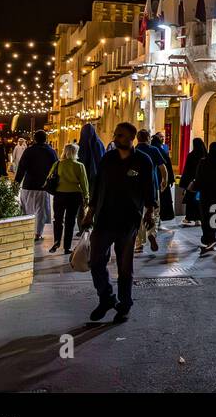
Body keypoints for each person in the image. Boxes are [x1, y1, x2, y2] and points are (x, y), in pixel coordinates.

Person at [80, 122, 155, 322]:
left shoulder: (143, 161)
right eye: (115, 134)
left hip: (128, 221)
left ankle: (125, 304)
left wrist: (150, 212)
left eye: (120, 135)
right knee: (95, 262)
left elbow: (150, 188)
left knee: (124, 267)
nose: (115, 138)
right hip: (103, 219)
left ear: (131, 138)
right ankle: (105, 298)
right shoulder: (107, 159)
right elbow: (97, 187)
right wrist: (90, 212)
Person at [13, 130, 58, 241]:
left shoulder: (29, 151)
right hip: (43, 186)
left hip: (28, 185)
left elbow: (21, 168)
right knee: (41, 211)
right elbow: (56, 169)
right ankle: (38, 233)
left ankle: (27, 230)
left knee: (27, 210)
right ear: (46, 139)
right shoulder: (51, 152)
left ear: (34, 139)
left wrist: (16, 183)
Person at [49, 141, 90, 255]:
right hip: (74, 195)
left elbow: (49, 177)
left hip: (59, 195)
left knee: (58, 219)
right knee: (70, 221)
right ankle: (67, 247)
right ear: (75, 152)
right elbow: (84, 183)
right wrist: (86, 197)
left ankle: (56, 242)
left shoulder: (57, 164)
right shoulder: (79, 165)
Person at [133, 129, 167, 250]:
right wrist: (164, 181)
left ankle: (138, 243)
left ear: (137, 139)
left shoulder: (134, 151)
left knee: (138, 214)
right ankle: (151, 233)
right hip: (153, 186)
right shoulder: (154, 150)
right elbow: (163, 168)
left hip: (136, 188)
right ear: (148, 138)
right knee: (154, 212)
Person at [179, 137, 207, 226]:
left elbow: (187, 170)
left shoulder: (191, 155)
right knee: (200, 201)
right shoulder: (206, 155)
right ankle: (200, 219)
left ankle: (190, 218)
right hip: (202, 182)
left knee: (191, 201)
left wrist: (184, 183)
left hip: (192, 182)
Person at [151, 132, 176, 224]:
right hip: (161, 178)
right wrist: (169, 179)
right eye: (161, 137)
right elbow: (166, 166)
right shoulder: (159, 150)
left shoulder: (154, 149)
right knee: (161, 199)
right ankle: (159, 219)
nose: (163, 138)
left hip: (154, 178)